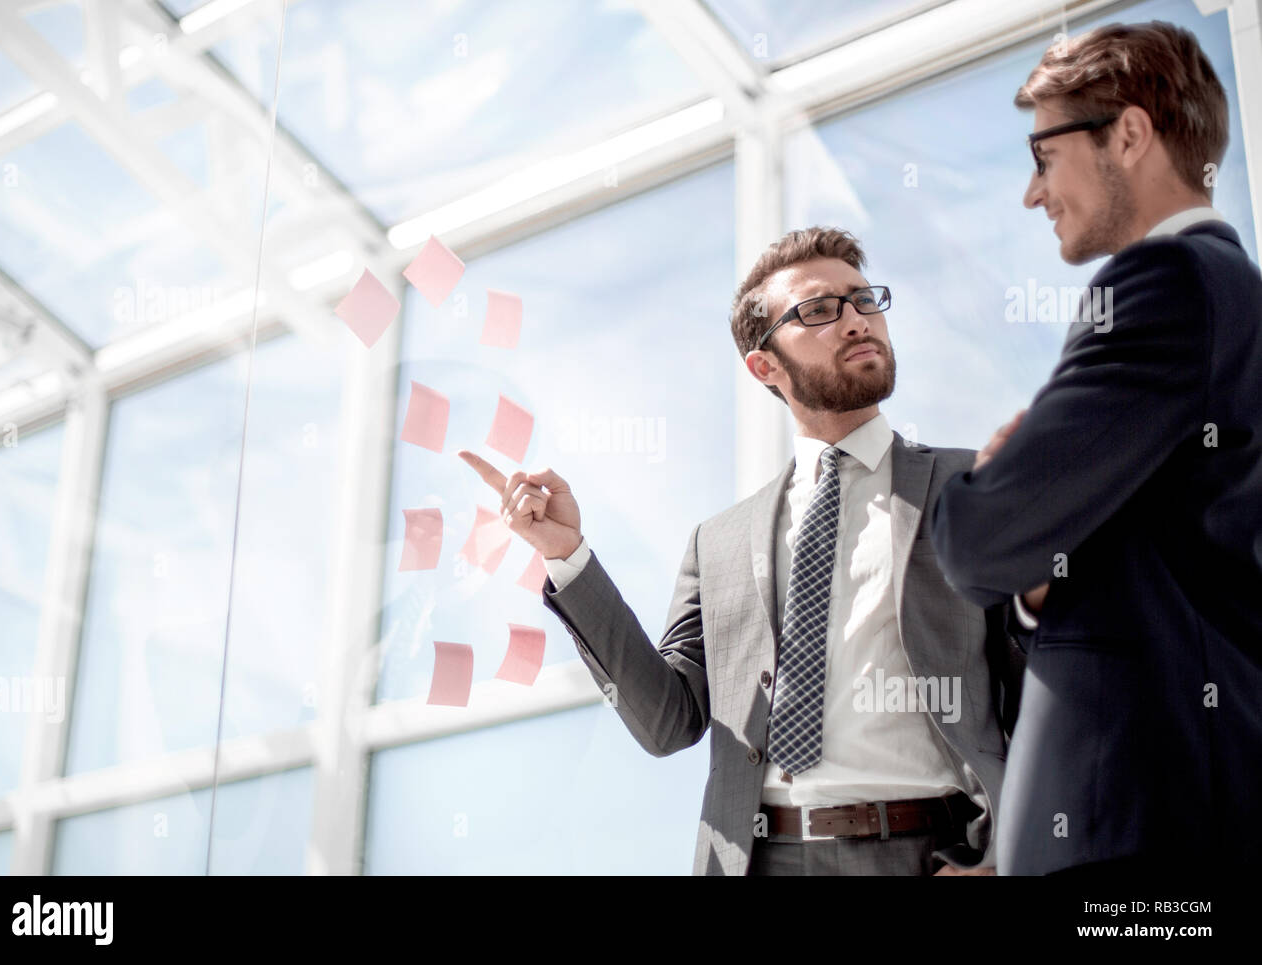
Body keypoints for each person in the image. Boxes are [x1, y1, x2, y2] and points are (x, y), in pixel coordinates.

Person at [461, 227, 1027, 875]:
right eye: (818, 309)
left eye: (864, 300)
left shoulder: (971, 485)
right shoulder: (718, 542)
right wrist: (567, 556)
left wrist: (1004, 855)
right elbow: (668, 721)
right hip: (758, 858)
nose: (854, 320)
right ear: (766, 366)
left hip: (931, 850)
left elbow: (1043, 683)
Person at [931, 21, 1262, 875]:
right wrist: (1043, 580)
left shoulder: (1166, 283)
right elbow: (1169, 563)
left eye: (1043, 156)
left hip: (1137, 826)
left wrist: (984, 486)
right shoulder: (1231, 300)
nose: (1032, 195)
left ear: (1130, 133)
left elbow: (978, 542)